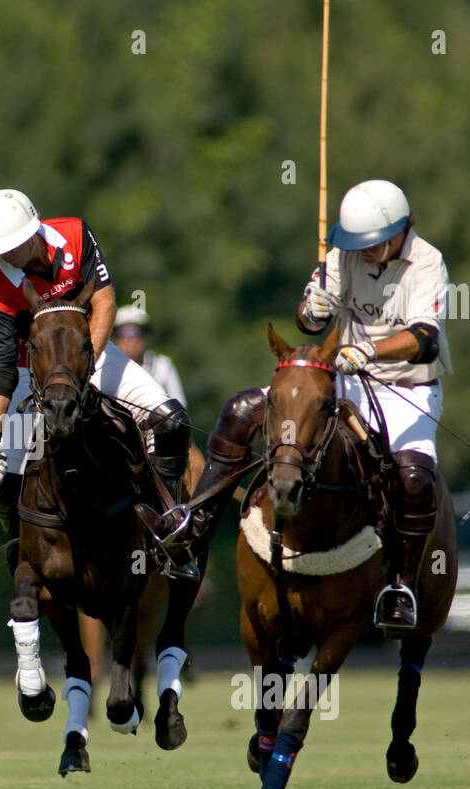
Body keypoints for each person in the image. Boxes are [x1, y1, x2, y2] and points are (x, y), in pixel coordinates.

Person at [140, 179, 451, 629]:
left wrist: (370, 351)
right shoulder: (344, 254)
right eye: (358, 244)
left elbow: (425, 339)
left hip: (406, 388)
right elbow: (308, 322)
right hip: (344, 380)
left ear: (401, 230)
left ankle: (400, 587)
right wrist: (313, 308)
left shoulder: (427, 262)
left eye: (373, 243)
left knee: (414, 477)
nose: (363, 252)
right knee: (241, 412)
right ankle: (195, 528)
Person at [0, 188, 194, 723]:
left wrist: (85, 365)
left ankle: (168, 527)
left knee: (171, 420)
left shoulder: (72, 234)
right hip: (32, 372)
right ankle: (19, 549)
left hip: (89, 352)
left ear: (33, 231)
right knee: (2, 479)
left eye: (13, 245)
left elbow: (106, 301)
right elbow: (0, 368)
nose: (8, 256)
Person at [112, 305, 188, 406]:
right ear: (115, 338)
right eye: (123, 333)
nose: (130, 341)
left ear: (145, 336)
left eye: (135, 333)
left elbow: (180, 404)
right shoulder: (106, 368)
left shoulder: (162, 366)